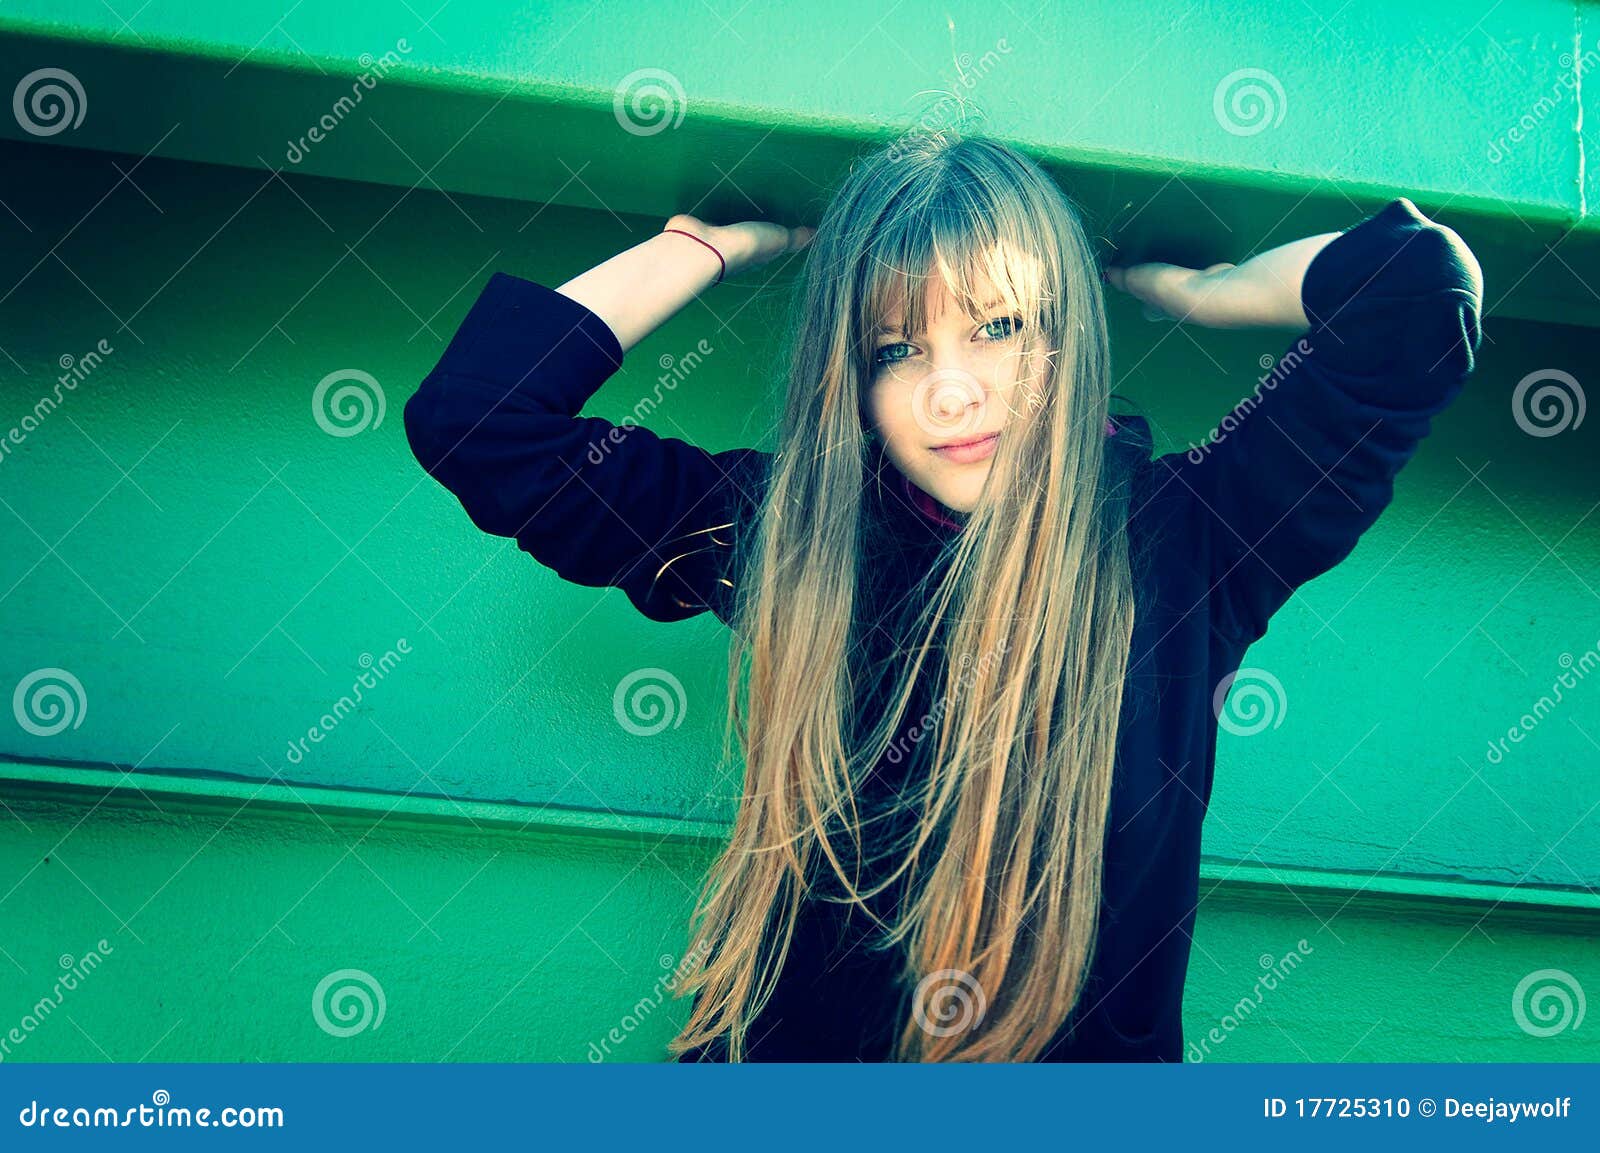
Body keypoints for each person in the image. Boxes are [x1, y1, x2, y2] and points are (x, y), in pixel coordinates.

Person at [403, 132, 1483, 1062]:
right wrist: (712, 248)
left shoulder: (1194, 537)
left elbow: (1415, 289)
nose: (950, 389)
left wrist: (1199, 292)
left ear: (1063, 336)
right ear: (850, 377)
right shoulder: (787, 531)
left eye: (999, 327)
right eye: (895, 347)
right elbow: (480, 418)